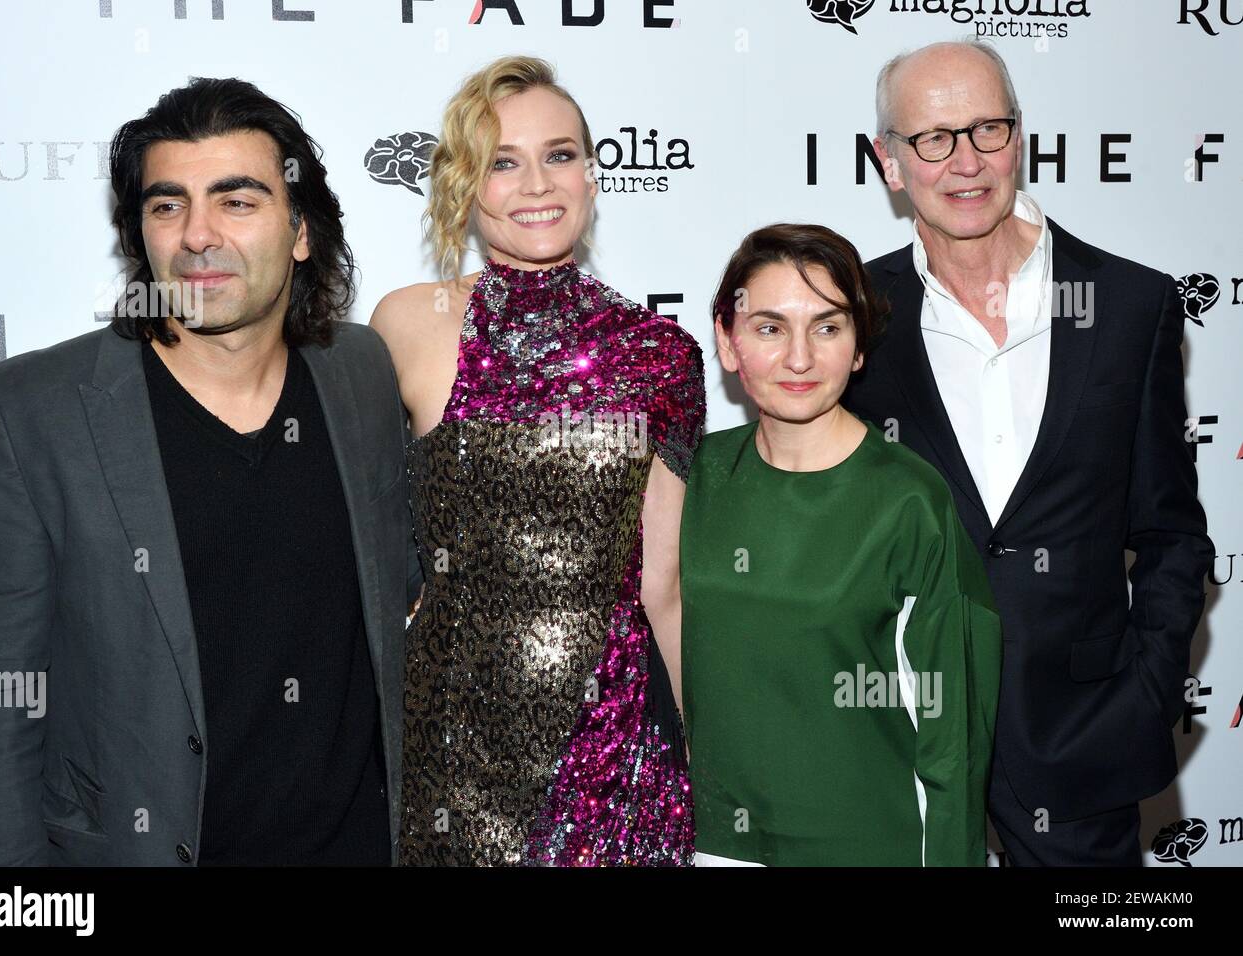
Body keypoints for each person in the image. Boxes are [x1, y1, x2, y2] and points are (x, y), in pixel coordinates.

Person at [0, 77, 419, 865]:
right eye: (167, 205)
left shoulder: (361, 372)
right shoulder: (34, 412)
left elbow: (399, 593)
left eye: (238, 201)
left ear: (301, 230)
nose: (198, 235)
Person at [845, 40, 1214, 865]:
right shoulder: (853, 316)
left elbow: (1170, 535)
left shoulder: (1129, 304)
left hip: (1080, 739)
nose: (965, 161)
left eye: (987, 129)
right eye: (933, 138)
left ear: (1021, 139)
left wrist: (1145, 694)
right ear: (891, 163)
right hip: (897, 736)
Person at [372, 55, 704, 866]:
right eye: (502, 162)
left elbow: (661, 584)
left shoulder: (663, 353)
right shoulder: (409, 324)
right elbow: (369, 536)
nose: (536, 185)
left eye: (559, 155)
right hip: (450, 734)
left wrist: (697, 749)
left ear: (593, 175)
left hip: (613, 736)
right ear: (463, 186)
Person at [682, 223, 1001, 866]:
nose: (799, 358)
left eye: (827, 327)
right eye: (769, 327)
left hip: (865, 844)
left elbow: (953, 731)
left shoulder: (909, 498)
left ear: (858, 349)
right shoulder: (693, 475)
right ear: (727, 340)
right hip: (709, 846)